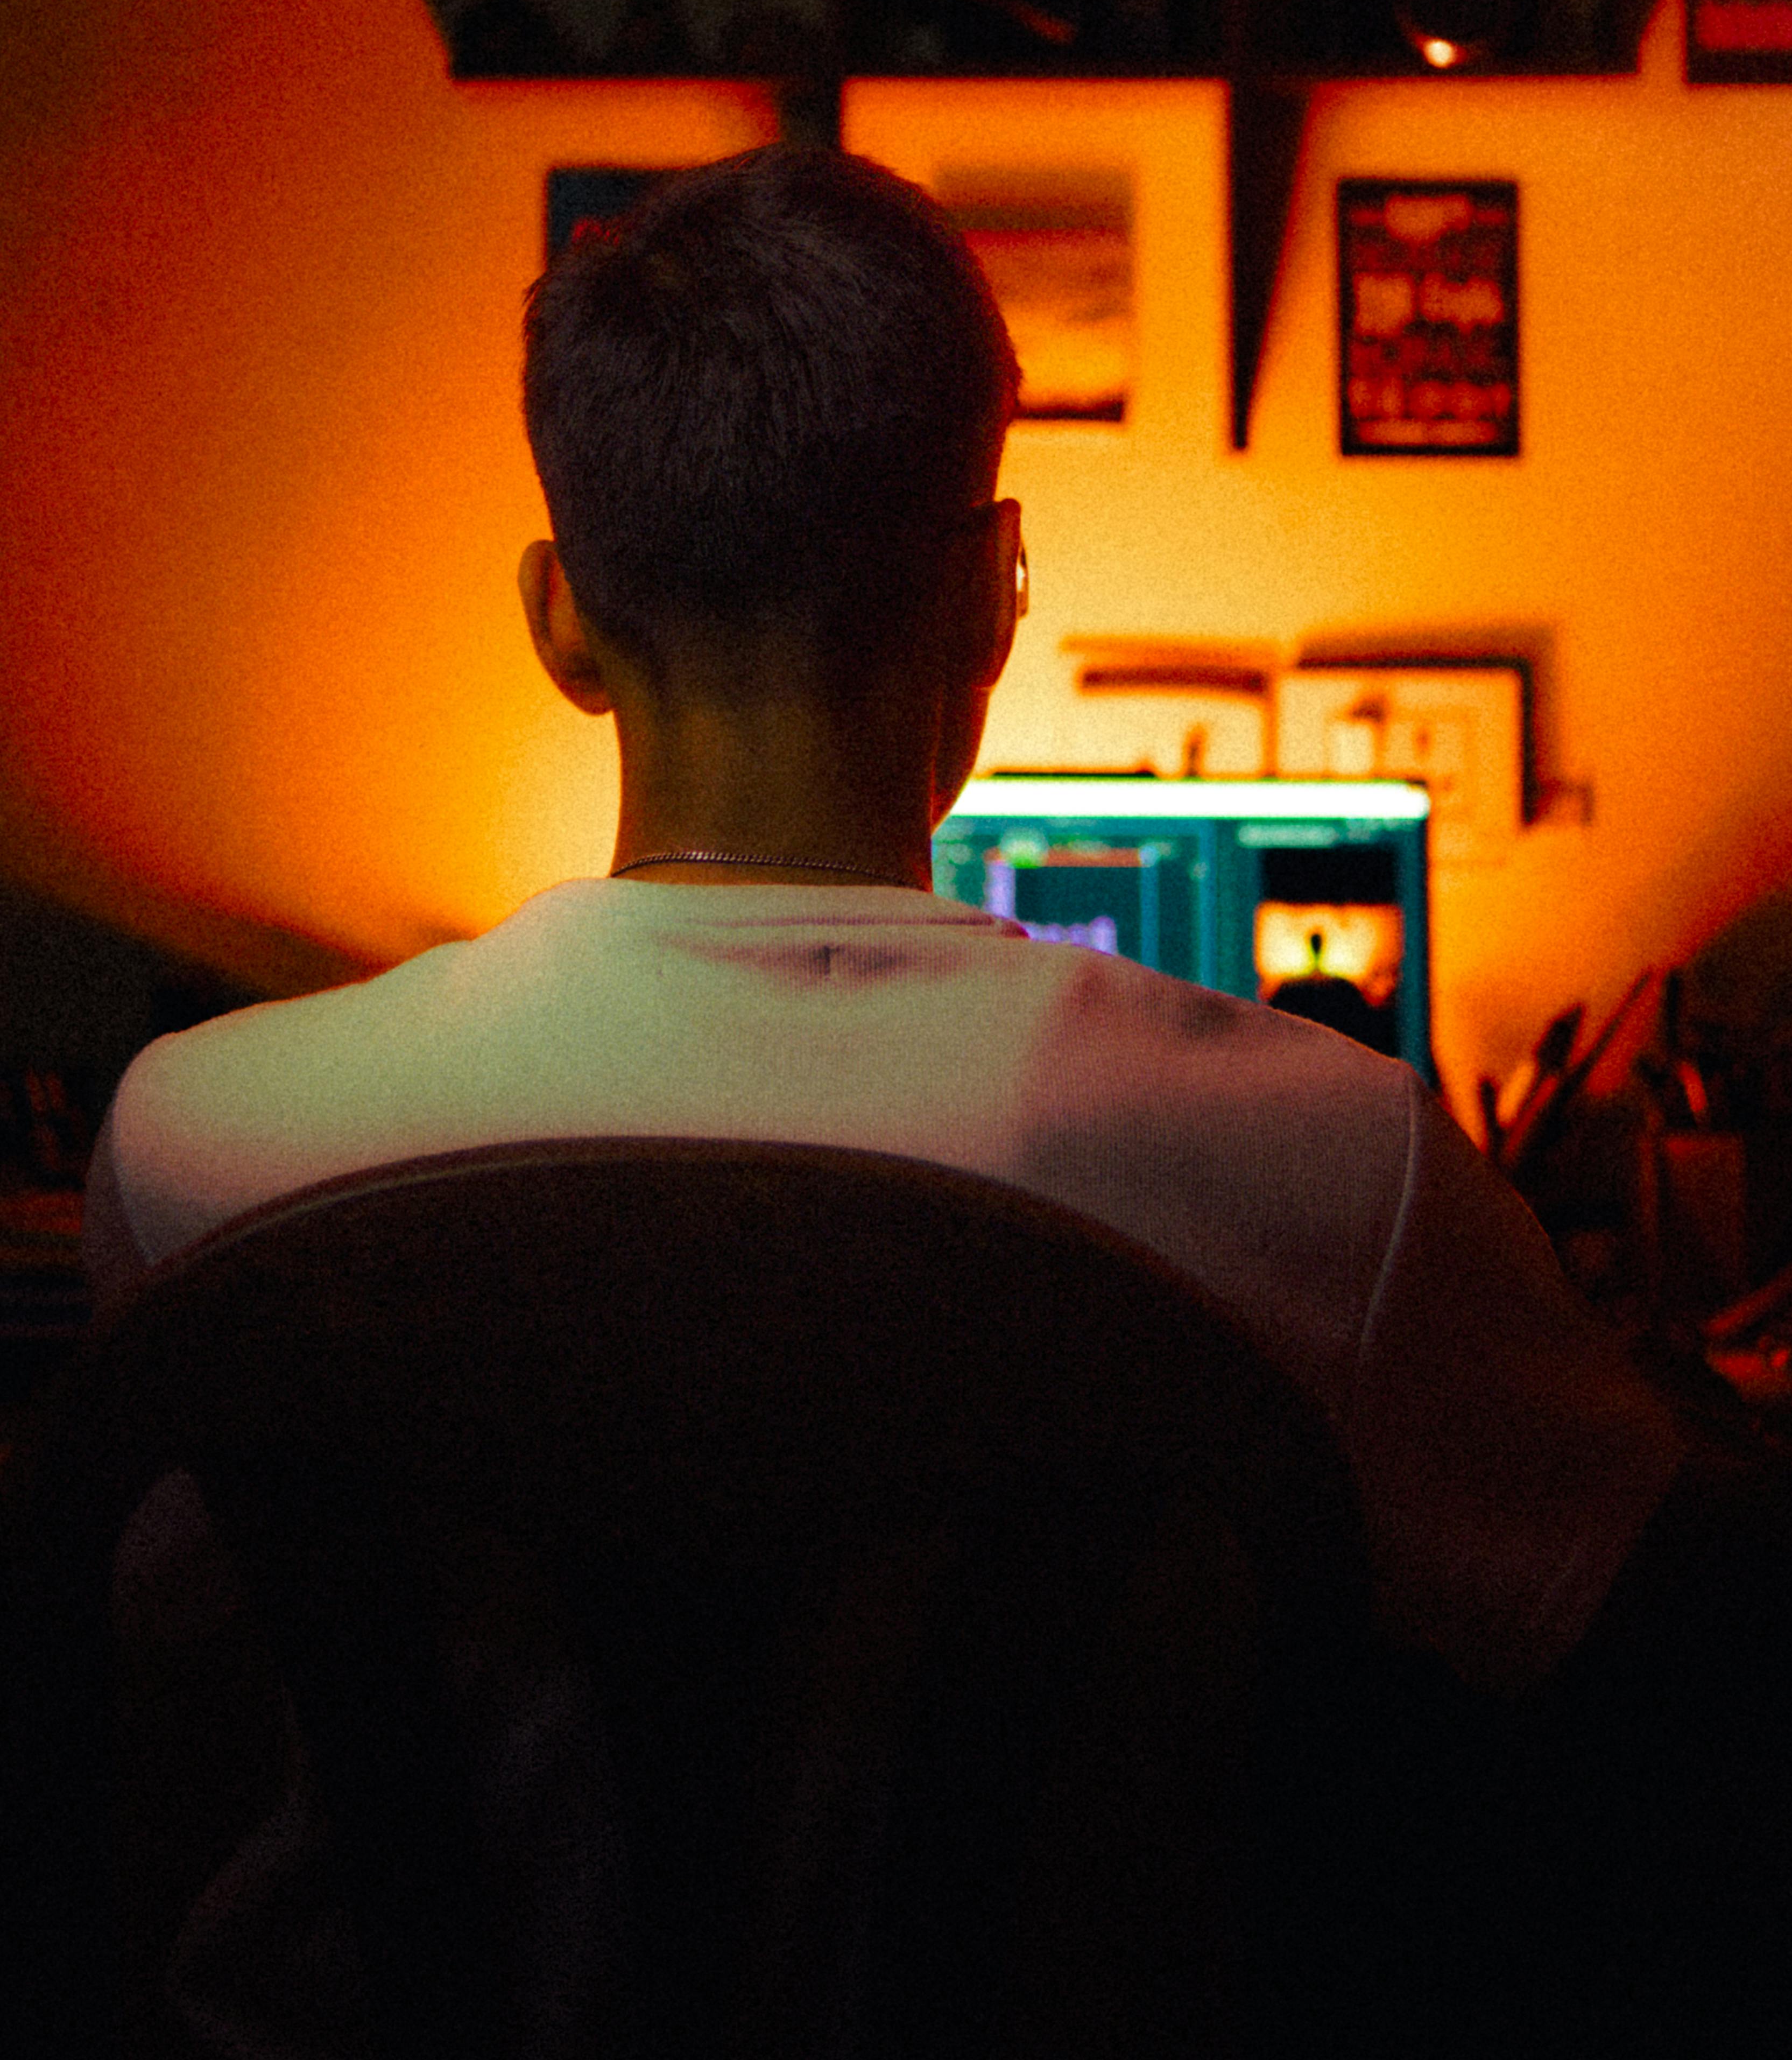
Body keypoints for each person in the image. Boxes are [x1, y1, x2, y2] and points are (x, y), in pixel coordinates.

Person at [84, 142, 1684, 1705]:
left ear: (558, 618)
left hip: (366, 1991)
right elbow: (1655, 1614)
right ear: (994, 587)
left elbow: (147, 1670)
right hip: (1083, 1989)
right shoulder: (1338, 1167)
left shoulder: (200, 1150)